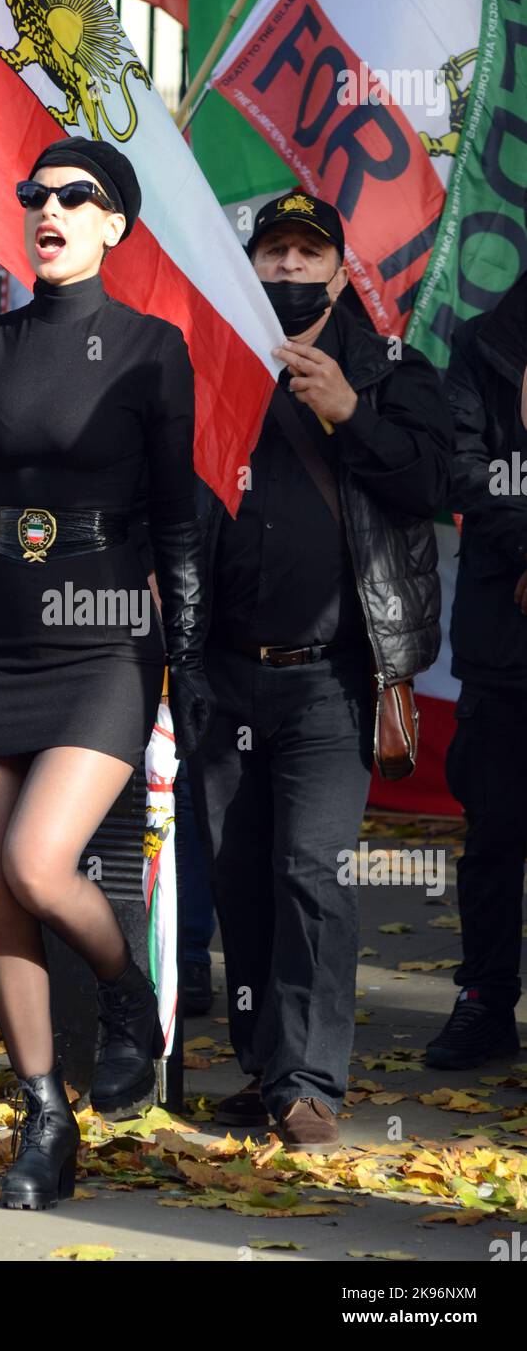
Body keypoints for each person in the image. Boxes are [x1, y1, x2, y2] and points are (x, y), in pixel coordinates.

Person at [0, 136, 212, 1210]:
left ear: (116, 224)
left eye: (78, 196)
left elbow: (178, 520)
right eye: (36, 195)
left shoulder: (152, 349)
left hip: (108, 632)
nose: (50, 208)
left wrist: (189, 654)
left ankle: (131, 1002)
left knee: (38, 862)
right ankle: (43, 1115)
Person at [188, 193, 452, 1152]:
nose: (290, 270)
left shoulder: (389, 371)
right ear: (252, 267)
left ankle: (309, 1083)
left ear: (341, 272)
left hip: (335, 676)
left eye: (309, 255)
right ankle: (266, 1068)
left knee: (314, 876)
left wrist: (348, 416)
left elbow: (437, 485)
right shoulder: (213, 361)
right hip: (221, 670)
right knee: (242, 876)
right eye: (275, 254)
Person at [431, 269, 527, 1068]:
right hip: (505, 636)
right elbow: (462, 466)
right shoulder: (481, 341)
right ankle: (484, 1001)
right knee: (493, 830)